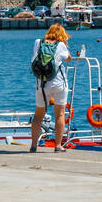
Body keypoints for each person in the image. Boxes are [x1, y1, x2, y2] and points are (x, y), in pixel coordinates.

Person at [29, 22, 71, 152]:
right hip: (58, 83)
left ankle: (34, 145)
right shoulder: (61, 45)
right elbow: (68, 59)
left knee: (38, 116)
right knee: (60, 115)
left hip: (41, 84)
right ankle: (58, 146)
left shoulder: (38, 42)